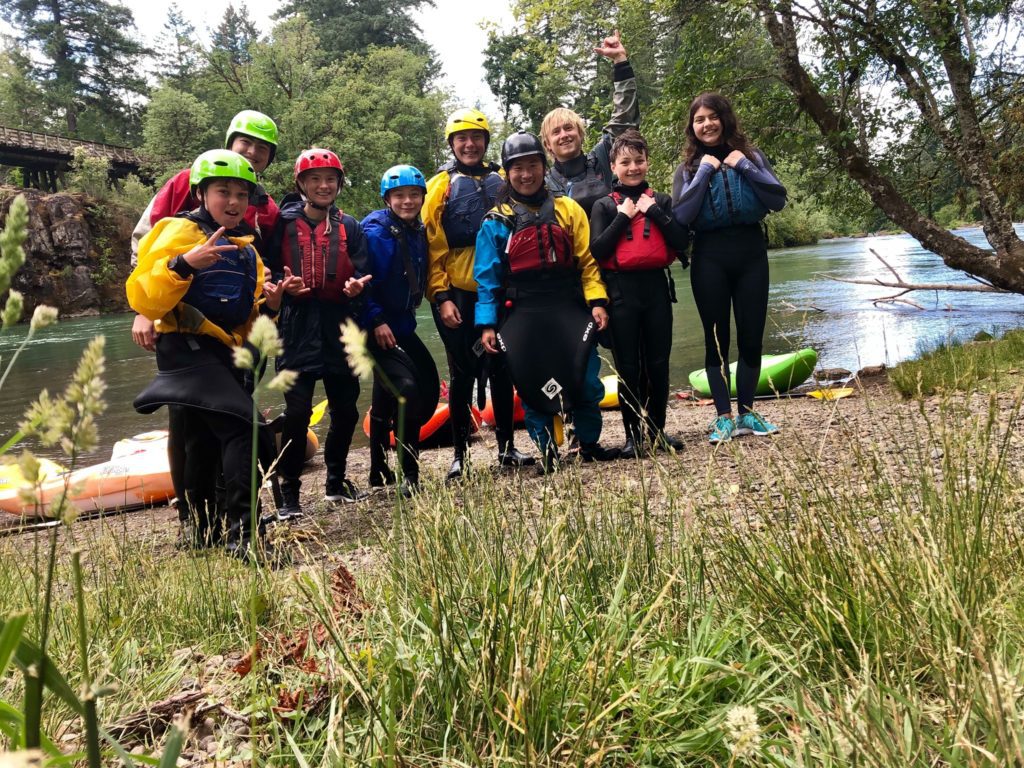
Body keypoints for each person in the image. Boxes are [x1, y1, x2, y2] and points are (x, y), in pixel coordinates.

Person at [126, 149, 286, 560]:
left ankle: (203, 530)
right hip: (184, 350)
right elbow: (143, 294)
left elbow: (245, 320)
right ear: (200, 193)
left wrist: (272, 306)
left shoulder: (247, 251)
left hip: (221, 353)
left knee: (200, 440)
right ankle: (244, 538)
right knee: (246, 430)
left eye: (241, 194)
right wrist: (183, 264)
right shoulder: (176, 231)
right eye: (223, 192)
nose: (233, 202)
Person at [475, 131, 618, 473]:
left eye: (533, 165)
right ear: (507, 172)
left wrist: (597, 301)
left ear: (544, 165)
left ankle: (588, 443)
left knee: (586, 379)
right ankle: (548, 452)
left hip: (567, 305)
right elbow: (487, 279)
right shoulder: (496, 221)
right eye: (518, 168)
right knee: (530, 383)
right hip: (523, 311)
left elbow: (587, 263)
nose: (526, 174)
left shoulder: (568, 209)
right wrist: (487, 324)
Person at [671, 92, 788, 443]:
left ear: (725, 118)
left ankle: (747, 413)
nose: (707, 124)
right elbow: (682, 215)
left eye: (712, 117)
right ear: (692, 127)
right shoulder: (688, 169)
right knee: (716, 340)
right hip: (710, 256)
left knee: (751, 336)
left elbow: (777, 199)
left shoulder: (751, 157)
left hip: (751, 253)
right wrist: (705, 170)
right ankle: (724, 418)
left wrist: (745, 166)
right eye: (699, 120)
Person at [424, 108, 533, 481]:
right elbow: (432, 245)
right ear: (452, 144)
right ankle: (460, 456)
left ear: (486, 142)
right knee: (462, 372)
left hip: (500, 290)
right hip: (458, 293)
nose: (469, 144)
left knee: (502, 368)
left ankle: (506, 448)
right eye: (462, 139)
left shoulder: (503, 179)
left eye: (476, 138)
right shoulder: (440, 185)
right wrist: (441, 296)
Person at [266, 148, 372, 516]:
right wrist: (282, 287)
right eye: (315, 179)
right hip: (295, 325)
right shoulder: (281, 224)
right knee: (297, 414)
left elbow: (361, 272)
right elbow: (266, 269)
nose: (323, 185)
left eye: (330, 179)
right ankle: (290, 494)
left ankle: (335, 483)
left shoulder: (349, 226)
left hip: (338, 323)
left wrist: (356, 289)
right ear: (301, 185)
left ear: (339, 184)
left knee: (346, 410)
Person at [589, 129, 690, 458]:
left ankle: (657, 432)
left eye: (639, 160)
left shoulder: (661, 201)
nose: (633, 167)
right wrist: (623, 217)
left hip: (656, 289)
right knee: (628, 367)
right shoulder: (604, 206)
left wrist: (654, 211)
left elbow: (681, 241)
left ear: (647, 162)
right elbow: (597, 251)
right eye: (625, 162)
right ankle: (633, 437)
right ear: (613, 167)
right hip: (621, 293)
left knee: (658, 365)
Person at [361, 165, 440, 497]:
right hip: (373, 327)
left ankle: (378, 468)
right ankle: (410, 474)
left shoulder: (416, 229)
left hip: (403, 325)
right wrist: (376, 320)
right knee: (406, 388)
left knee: (424, 384)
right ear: (387, 199)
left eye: (414, 195)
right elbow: (361, 282)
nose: (407, 201)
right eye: (399, 196)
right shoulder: (375, 233)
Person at [541, 31, 639, 216]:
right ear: (547, 144)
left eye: (568, 128)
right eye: (556, 132)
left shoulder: (602, 159)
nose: (564, 135)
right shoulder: (544, 184)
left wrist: (620, 60)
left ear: (580, 134)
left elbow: (624, 118)